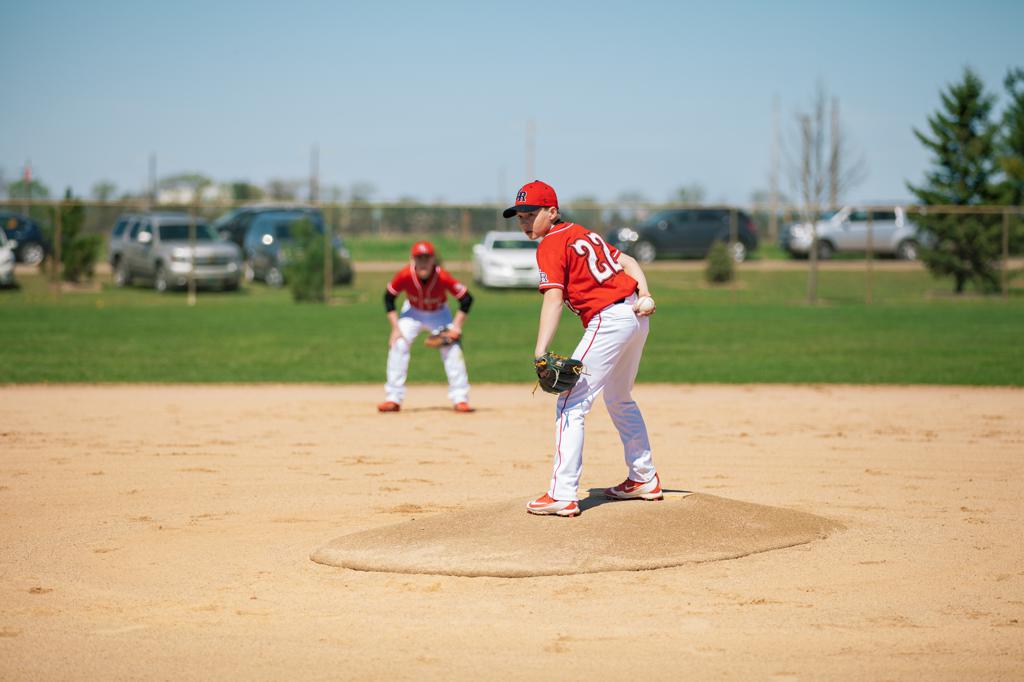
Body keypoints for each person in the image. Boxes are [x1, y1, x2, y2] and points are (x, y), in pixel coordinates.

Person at [503, 180, 661, 517]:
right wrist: (645, 294)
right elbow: (628, 261)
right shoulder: (583, 233)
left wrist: (539, 351)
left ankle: (562, 493)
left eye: (532, 214)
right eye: (520, 216)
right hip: (633, 316)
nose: (525, 221)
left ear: (552, 211)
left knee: (570, 401)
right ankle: (644, 477)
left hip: (609, 319)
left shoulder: (550, 244)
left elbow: (554, 298)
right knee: (619, 396)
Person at [378, 241, 474, 413]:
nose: (423, 262)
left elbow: (466, 299)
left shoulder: (442, 276)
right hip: (412, 313)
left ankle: (460, 398)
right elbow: (388, 298)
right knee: (398, 343)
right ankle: (393, 398)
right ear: (412, 259)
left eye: (426, 258)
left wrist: (456, 328)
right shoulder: (405, 275)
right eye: (419, 258)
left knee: (452, 349)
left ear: (433, 260)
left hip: (439, 313)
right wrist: (395, 328)